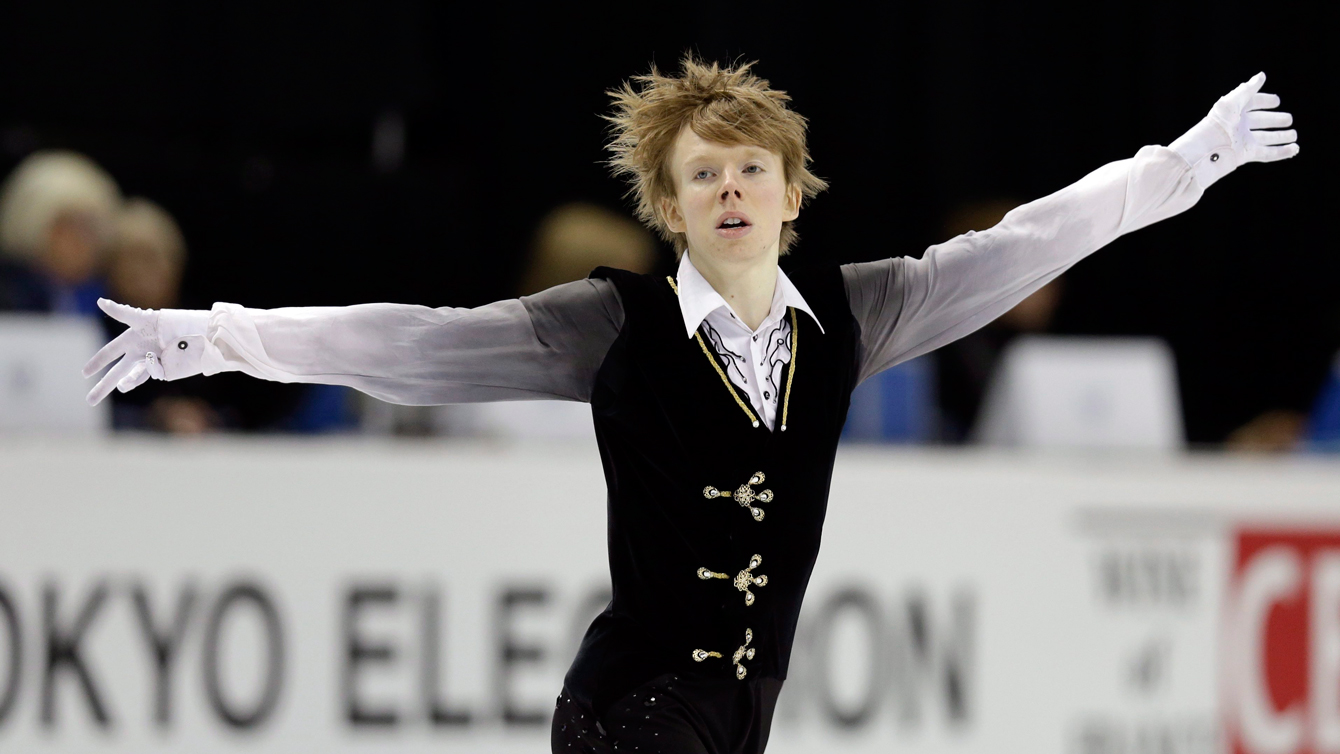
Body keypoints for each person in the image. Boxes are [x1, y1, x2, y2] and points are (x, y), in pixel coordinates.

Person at [81, 57, 1298, 753]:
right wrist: (223, 335)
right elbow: (419, 347)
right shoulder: (607, 323)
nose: (727, 191)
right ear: (669, 206)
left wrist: (1179, 166)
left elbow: (1030, 240)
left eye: (748, 171)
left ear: (789, 195)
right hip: (636, 710)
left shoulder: (859, 310)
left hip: (731, 713)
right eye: (701, 175)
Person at [0, 150, 121, 315]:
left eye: (90, 229)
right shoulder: (10, 297)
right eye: (69, 226)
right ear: (33, 226)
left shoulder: (109, 301)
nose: (82, 241)